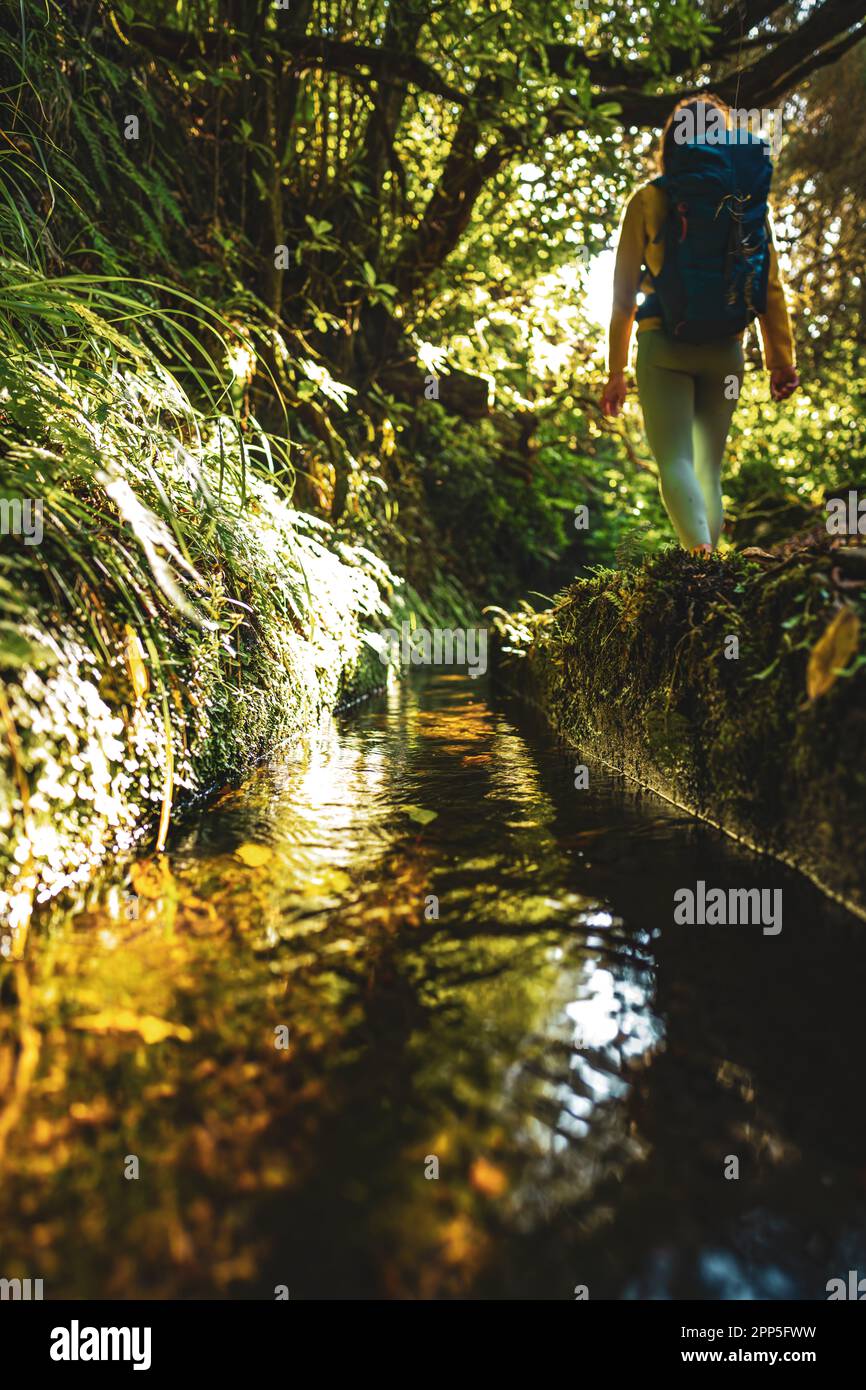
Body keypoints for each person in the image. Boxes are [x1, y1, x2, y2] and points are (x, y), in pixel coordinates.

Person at [599, 95, 800, 554]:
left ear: (671, 143)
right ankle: (715, 566)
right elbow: (769, 287)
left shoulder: (648, 199)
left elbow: (623, 297)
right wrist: (780, 362)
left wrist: (615, 373)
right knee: (709, 466)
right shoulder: (745, 203)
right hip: (726, 351)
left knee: (676, 461)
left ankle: (702, 559)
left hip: (662, 346)